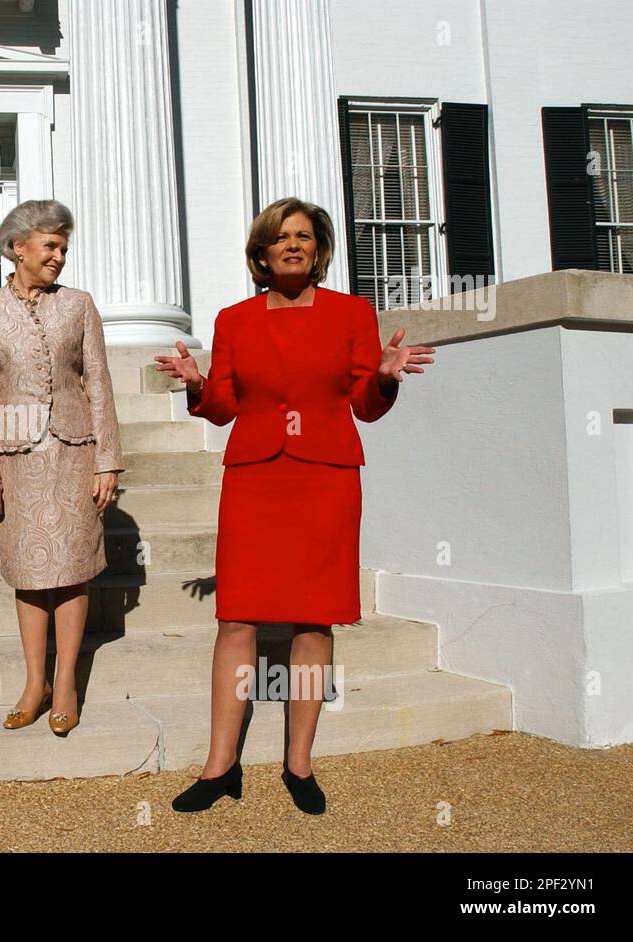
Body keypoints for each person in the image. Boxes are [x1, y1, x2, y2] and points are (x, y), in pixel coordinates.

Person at [155, 197, 436, 814]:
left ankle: (299, 763)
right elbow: (225, 406)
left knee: (315, 619)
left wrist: (385, 375)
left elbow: (365, 402)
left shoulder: (351, 314)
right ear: (261, 252)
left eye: (305, 236)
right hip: (256, 478)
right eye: (281, 237)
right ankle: (219, 765)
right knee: (237, 620)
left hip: (326, 479)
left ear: (318, 251)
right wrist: (200, 387)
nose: (293, 244)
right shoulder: (233, 320)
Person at [0, 199, 123, 736]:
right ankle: (35, 683)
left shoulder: (78, 305)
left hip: (75, 453)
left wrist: (108, 461)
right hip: (16, 462)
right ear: (17, 247)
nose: (58, 256)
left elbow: (98, 382)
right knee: (29, 575)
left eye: (62, 247)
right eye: (50, 246)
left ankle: (67, 680)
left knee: (73, 568)